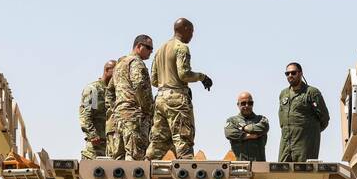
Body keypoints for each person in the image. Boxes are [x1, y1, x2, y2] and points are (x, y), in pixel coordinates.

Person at [147, 17, 212, 159]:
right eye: (192, 32)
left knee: (157, 143)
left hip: (160, 99)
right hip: (177, 99)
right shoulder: (181, 47)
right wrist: (203, 77)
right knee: (183, 140)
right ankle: (187, 178)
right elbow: (184, 74)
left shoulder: (160, 50)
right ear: (186, 29)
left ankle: (145, 176)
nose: (192, 36)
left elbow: (153, 80)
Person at [111, 35, 154, 160]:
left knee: (118, 159)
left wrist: (115, 108)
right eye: (148, 48)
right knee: (135, 159)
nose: (151, 51)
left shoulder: (120, 64)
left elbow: (110, 90)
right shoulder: (136, 62)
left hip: (119, 116)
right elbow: (139, 85)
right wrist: (147, 109)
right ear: (139, 46)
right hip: (133, 116)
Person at [277, 62, 329, 161]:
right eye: (287, 74)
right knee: (281, 172)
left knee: (304, 173)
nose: (290, 76)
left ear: (300, 74)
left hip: (304, 145)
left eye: (293, 73)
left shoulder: (312, 92)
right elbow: (281, 116)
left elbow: (324, 118)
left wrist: (310, 132)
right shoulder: (283, 94)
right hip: (286, 143)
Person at [78, 60, 116, 158]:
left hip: (110, 148)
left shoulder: (114, 92)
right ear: (107, 70)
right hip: (95, 149)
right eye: (116, 72)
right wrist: (93, 135)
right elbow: (86, 115)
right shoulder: (95, 90)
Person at [224, 92, 269, 161]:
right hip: (238, 165)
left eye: (250, 103)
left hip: (258, 164)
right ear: (238, 105)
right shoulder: (232, 121)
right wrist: (247, 136)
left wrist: (244, 128)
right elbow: (229, 133)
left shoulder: (261, 119)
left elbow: (264, 128)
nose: (247, 105)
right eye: (243, 103)